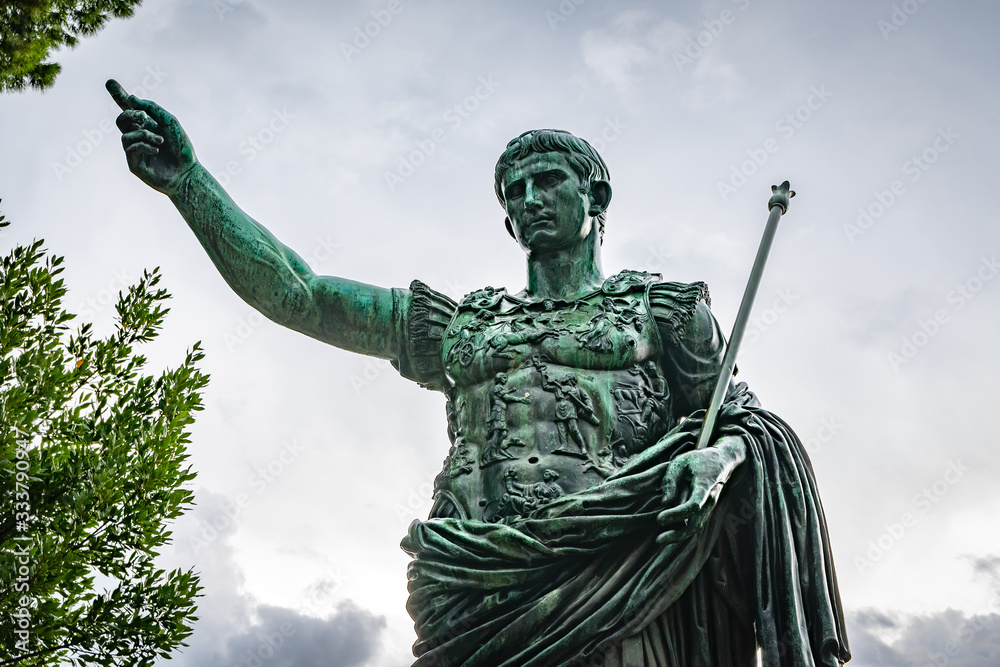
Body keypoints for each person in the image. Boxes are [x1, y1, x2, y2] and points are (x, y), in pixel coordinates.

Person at [108, 79, 851, 666]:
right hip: (474, 586)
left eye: (547, 180)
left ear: (595, 197)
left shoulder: (662, 311)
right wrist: (189, 184)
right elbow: (298, 294)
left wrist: (717, 458)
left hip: (616, 578)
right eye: (514, 192)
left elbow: (741, 422)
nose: (528, 199)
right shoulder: (462, 324)